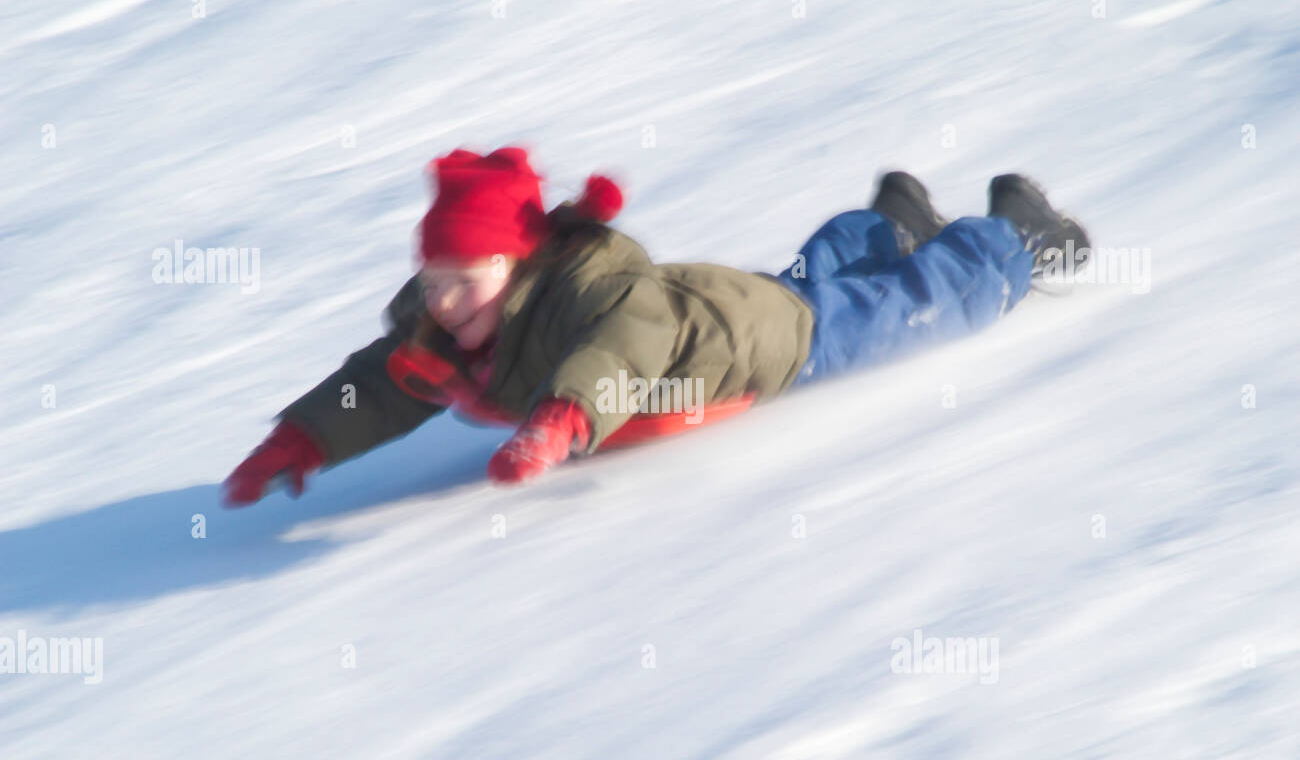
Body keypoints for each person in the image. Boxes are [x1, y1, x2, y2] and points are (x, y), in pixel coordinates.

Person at [222, 147, 1087, 505]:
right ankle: (883, 225)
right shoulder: (445, 328)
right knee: (798, 283)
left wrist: (564, 418)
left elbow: (622, 348)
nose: (445, 301)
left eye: (467, 279)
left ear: (520, 267)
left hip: (767, 350)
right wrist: (301, 439)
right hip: (722, 301)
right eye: (434, 278)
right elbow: (377, 381)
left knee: (912, 310)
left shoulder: (592, 292)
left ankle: (1015, 238)